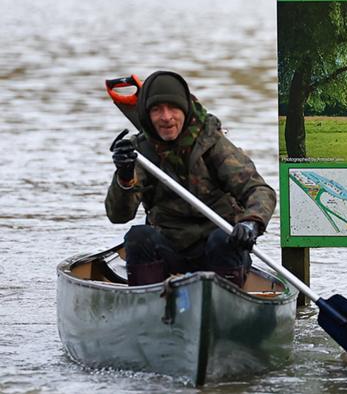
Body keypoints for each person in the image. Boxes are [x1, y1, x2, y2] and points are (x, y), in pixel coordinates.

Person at [105, 71, 276, 287]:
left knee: (224, 238)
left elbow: (259, 190)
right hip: (168, 249)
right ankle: (147, 302)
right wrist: (125, 176)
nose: (166, 117)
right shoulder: (140, 152)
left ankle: (227, 300)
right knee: (138, 237)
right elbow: (118, 215)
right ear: (147, 115)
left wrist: (251, 223)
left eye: (173, 108)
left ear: (185, 110)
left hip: (216, 249)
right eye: (157, 110)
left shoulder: (212, 143)